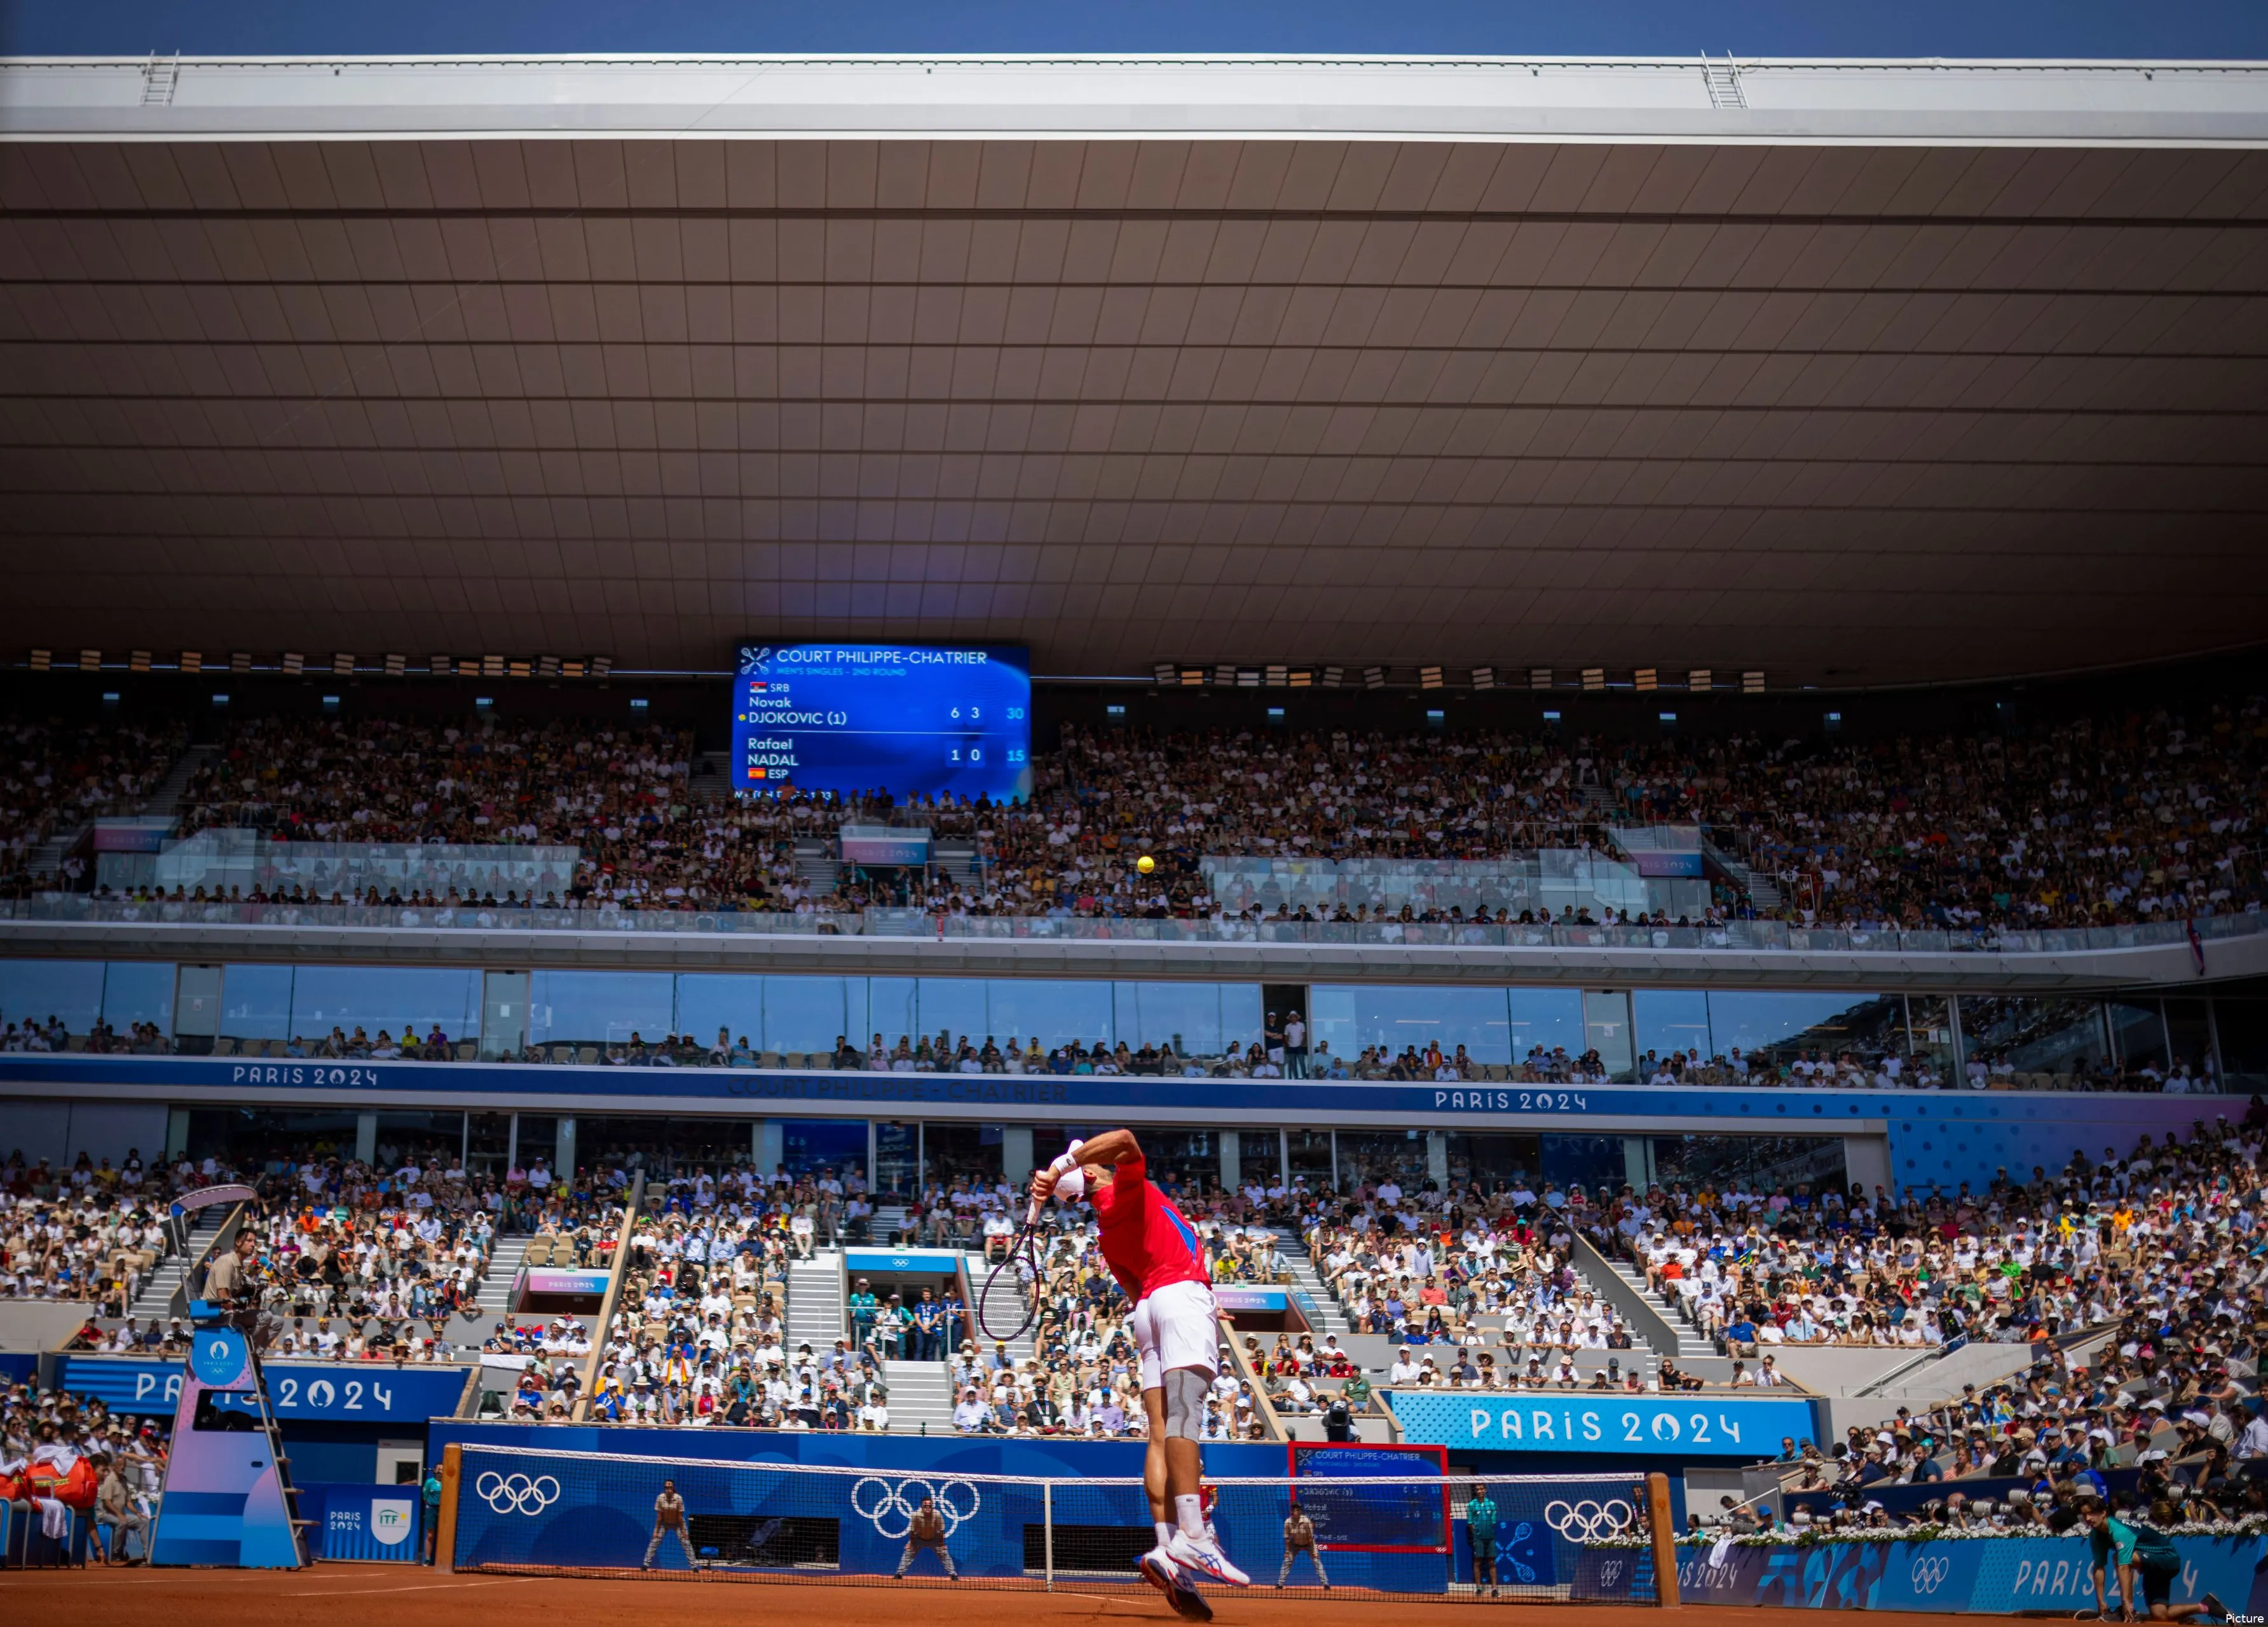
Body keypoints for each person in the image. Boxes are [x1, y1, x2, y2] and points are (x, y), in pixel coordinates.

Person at [1034, 1128, 1248, 1620]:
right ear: (1091, 1173)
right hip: (1179, 1295)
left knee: (1158, 1432)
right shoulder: (1123, 1189)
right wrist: (1064, 1165)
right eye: (1093, 1161)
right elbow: (1127, 1139)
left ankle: (1163, 1544)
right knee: (1185, 1417)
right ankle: (1194, 1536)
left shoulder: (1107, 1232)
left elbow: (1136, 1290)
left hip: (1150, 1308)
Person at [2082, 1501, 2220, 1624]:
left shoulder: (2120, 1531)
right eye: (2084, 1515)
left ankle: (2130, 1610)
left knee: (2120, 1558)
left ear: (2103, 1513)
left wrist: (2125, 1602)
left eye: (2091, 1513)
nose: (2087, 1519)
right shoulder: (2096, 1535)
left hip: (2167, 1559)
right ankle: (2206, 1606)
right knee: (2160, 1615)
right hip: (2152, 1568)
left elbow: (2124, 1566)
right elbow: (2099, 1568)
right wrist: (2100, 1602)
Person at [895, 1494, 960, 1580]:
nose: (928, 1507)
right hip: (919, 1538)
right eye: (925, 1505)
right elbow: (912, 1531)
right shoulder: (916, 1515)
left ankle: (953, 1575)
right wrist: (911, 1543)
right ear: (922, 1506)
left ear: (932, 1506)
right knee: (908, 1553)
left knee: (944, 1553)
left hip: (934, 1539)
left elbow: (941, 1531)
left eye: (930, 1505)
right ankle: (899, 1574)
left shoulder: (937, 1514)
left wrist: (942, 1544)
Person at [642, 1478, 698, 1570]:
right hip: (664, 1523)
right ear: (664, 1488)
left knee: (686, 1543)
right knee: (654, 1541)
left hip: (678, 1524)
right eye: (667, 1487)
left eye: (670, 1487)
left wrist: (684, 1531)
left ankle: (694, 1567)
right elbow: (659, 1517)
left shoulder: (679, 1499)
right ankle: (645, 1565)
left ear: (673, 1488)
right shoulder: (660, 1498)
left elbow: (680, 1518)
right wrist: (655, 1531)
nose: (668, 1489)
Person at [1276, 1498, 1330, 1590]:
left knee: (1316, 1561)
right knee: (1287, 1561)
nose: (1296, 1511)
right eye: (1294, 1509)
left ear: (1300, 1511)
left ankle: (1326, 1584)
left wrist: (1314, 1552)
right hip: (1295, 1544)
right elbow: (1287, 1539)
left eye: (1298, 1509)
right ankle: (1280, 1584)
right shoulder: (1288, 1522)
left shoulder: (1306, 1521)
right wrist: (1287, 1551)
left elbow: (1311, 1538)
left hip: (1309, 1543)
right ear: (1292, 1511)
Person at [1466, 1482, 1501, 1597]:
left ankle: (1494, 1589)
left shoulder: (1491, 1504)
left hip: (1490, 1538)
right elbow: (1470, 1523)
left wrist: (1487, 1533)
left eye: (1481, 1489)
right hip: (1478, 1538)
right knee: (1477, 1562)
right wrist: (1476, 1536)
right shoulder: (1471, 1505)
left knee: (1492, 1562)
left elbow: (1493, 1523)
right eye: (1478, 1489)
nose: (1479, 1491)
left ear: (1485, 1490)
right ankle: (1479, 1588)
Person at [421, 1461, 444, 1564]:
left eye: (442, 1470)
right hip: (431, 1509)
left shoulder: (448, 1483)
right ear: (434, 1471)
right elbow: (425, 1497)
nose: (440, 1472)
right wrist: (430, 1506)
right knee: (430, 1535)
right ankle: (427, 1559)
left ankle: (443, 1560)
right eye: (438, 1470)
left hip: (444, 1510)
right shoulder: (429, 1482)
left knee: (444, 1535)